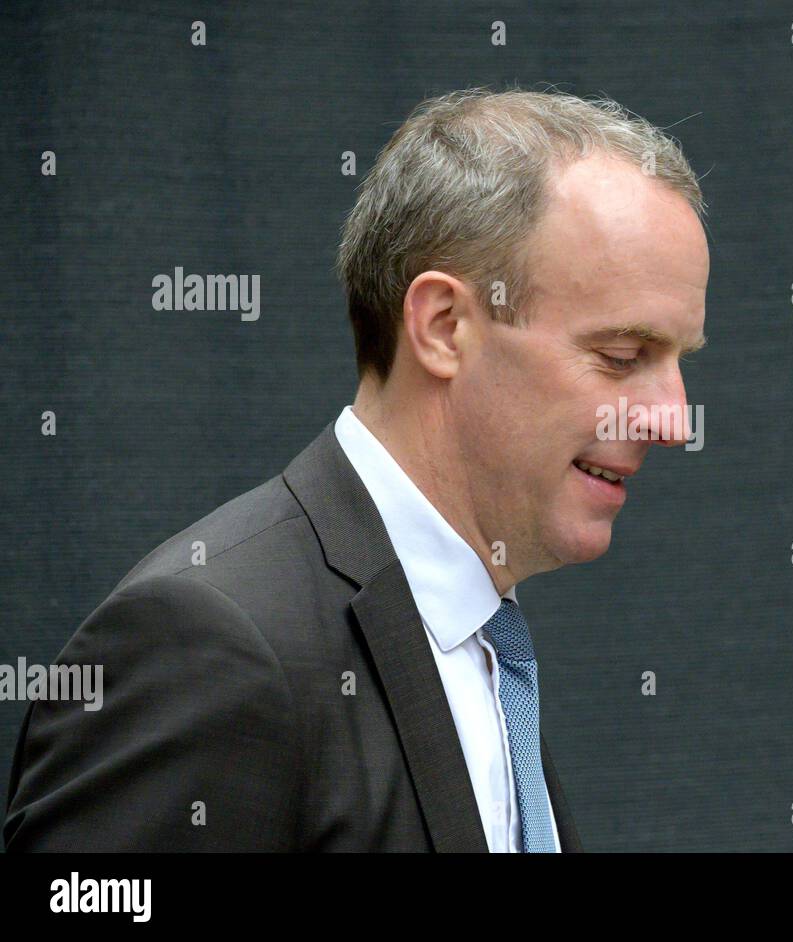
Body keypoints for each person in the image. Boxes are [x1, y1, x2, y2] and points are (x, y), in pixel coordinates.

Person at [4, 87, 709, 852]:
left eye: (678, 361)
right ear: (443, 327)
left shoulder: (484, 648)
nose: (673, 418)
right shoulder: (210, 647)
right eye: (622, 356)